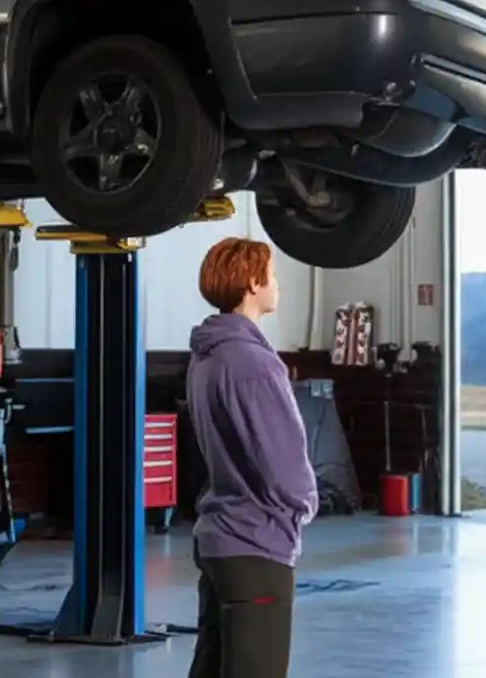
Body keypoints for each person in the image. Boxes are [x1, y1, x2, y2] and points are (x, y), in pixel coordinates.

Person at [186, 237, 319, 678]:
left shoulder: (209, 355)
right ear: (251, 282)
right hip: (256, 543)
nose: (277, 284)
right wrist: (304, 505)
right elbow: (281, 461)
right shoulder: (253, 364)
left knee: (212, 666)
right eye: (272, 274)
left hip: (220, 538)